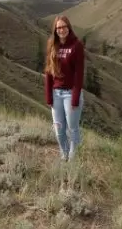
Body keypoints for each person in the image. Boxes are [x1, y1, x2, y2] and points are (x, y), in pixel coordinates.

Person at [44, 15, 85, 162]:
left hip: (71, 94)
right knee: (59, 129)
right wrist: (48, 95)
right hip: (56, 94)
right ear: (55, 30)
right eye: (58, 27)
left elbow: (79, 73)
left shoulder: (76, 45)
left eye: (64, 26)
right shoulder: (52, 44)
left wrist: (75, 98)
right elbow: (48, 72)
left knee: (73, 129)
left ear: (68, 27)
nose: (61, 30)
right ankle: (64, 154)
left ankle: (73, 159)